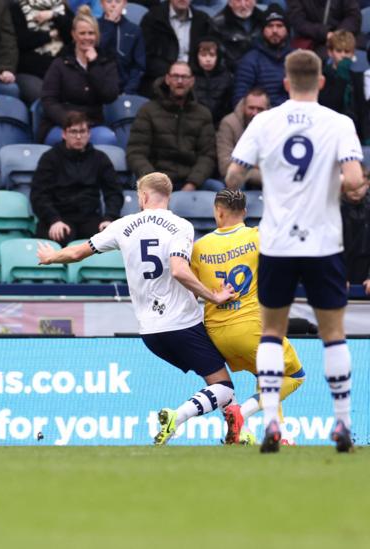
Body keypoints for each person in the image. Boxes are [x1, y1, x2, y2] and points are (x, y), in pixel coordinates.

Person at [226, 49, 366, 453]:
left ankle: (271, 420)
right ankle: (342, 424)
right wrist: (332, 184)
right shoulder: (339, 123)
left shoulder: (264, 121)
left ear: (285, 83)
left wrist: (271, 173)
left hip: (277, 243)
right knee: (333, 334)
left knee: (272, 332)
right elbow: (354, 180)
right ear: (320, 82)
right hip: (323, 243)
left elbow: (233, 175)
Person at [36, 172, 237, 445]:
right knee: (223, 386)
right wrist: (213, 296)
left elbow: (76, 253)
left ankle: (237, 435)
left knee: (216, 384)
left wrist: (51, 257)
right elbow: (179, 270)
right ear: (168, 196)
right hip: (182, 324)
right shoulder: (180, 226)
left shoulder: (122, 225)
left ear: (143, 196)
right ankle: (177, 417)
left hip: (150, 333)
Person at [190, 189, 306, 445]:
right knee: (294, 376)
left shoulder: (199, 247)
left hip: (216, 333)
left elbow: (192, 289)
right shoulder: (258, 237)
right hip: (251, 327)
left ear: (217, 211)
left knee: (266, 375)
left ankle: (279, 434)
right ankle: (241, 412)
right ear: (244, 211)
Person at [30, 111, 122, 245]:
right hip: (59, 217)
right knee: (58, 236)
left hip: (89, 218)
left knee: (108, 239)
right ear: (64, 134)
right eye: (73, 132)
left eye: (82, 131)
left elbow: (114, 192)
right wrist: (54, 220)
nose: (78, 137)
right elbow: (39, 195)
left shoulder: (100, 158)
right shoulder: (49, 158)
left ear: (89, 134)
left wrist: (109, 218)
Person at [126, 61, 220, 192]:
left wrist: (192, 184)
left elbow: (208, 156)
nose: (180, 81)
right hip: (156, 182)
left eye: (184, 77)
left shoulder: (203, 114)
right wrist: (154, 181)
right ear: (167, 79)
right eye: (175, 76)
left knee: (219, 190)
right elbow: (136, 153)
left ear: (192, 81)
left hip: (191, 183)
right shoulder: (147, 111)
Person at [40, 5, 119, 145]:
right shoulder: (60, 62)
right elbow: (48, 99)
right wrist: (70, 121)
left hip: (93, 124)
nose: (87, 37)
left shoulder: (106, 62)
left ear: (97, 35)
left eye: (91, 33)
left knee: (107, 138)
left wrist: (94, 65)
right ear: (73, 34)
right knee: (60, 140)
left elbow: (109, 95)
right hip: (62, 124)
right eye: (82, 33)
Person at [139, 0, 213, 95]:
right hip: (161, 79)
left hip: (195, 79)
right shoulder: (153, 18)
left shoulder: (203, 20)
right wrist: (174, 73)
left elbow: (210, 55)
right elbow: (146, 57)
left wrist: (188, 74)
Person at [10, 0, 72, 104]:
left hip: (60, 65)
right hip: (31, 69)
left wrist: (54, 15)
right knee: (43, 97)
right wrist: (50, 35)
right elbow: (22, 41)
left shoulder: (60, 6)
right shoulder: (16, 7)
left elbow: (72, 35)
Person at [231, 4, 293, 107]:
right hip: (260, 114)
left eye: (279, 26)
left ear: (287, 30)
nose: (274, 30)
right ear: (262, 30)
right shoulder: (250, 60)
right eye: (270, 26)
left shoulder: (297, 59)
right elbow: (240, 99)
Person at [216, 88, 269, 189]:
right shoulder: (229, 123)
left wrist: (244, 166)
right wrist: (260, 168)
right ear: (243, 106)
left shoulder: (276, 126)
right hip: (236, 182)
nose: (255, 113)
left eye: (260, 109)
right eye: (251, 108)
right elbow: (225, 166)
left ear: (267, 109)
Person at [98, 0, 145, 96]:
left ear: (124, 4)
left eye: (118, 1)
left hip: (125, 88)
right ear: (101, 4)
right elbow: (98, 51)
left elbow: (138, 66)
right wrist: (109, 24)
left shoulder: (134, 30)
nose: (113, 5)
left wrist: (128, 90)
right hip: (98, 86)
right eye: (109, 1)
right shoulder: (93, 27)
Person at [286, 0, 360, 57]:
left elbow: (353, 16)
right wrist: (325, 33)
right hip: (312, 40)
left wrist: (338, 35)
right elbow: (299, 22)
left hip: (343, 36)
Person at [210, 0, 267, 70]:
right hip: (233, 72)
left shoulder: (265, 19)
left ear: (255, 1)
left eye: (247, 0)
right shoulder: (217, 25)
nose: (243, 5)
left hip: (263, 69)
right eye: (238, 1)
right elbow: (218, 59)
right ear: (230, 3)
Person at [191, 37, 232, 125]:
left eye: (212, 55)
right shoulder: (190, 77)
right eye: (203, 55)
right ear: (196, 56)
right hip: (194, 123)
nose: (208, 59)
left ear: (218, 57)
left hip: (219, 124)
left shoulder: (226, 78)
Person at [341, 166, 370, 291]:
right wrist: (336, 275)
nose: (356, 190)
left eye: (360, 185)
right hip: (335, 275)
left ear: (368, 184)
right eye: (351, 186)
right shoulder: (331, 209)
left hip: (365, 276)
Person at [318, 30, 357, 121]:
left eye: (347, 51)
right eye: (339, 51)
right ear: (330, 52)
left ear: (353, 53)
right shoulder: (323, 75)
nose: (343, 55)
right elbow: (330, 106)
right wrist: (342, 76)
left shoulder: (357, 76)